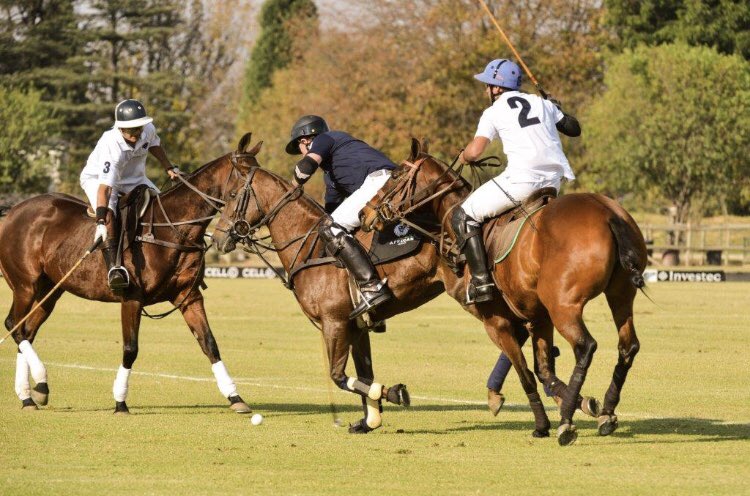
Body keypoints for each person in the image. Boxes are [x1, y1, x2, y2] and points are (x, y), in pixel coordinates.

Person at [453, 58, 581, 304]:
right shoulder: (542, 104)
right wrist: (556, 108)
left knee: (464, 214)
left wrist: (464, 156)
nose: (486, 90)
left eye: (488, 84)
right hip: (554, 182)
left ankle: (481, 281)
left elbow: (475, 152)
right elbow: (574, 129)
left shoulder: (492, 112)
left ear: (498, 88)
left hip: (523, 181)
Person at [286, 115, 395, 319]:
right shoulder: (332, 175)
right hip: (382, 185)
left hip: (379, 183)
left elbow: (305, 168)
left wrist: (288, 192)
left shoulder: (325, 139)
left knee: (331, 228)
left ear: (305, 140)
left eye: (299, 146)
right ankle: (372, 301)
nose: (300, 151)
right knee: (333, 228)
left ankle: (372, 286)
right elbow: (330, 211)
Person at [79, 99, 179, 291]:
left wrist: (169, 167)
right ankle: (114, 270)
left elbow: (154, 145)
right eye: (131, 130)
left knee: (164, 208)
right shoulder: (111, 146)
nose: (137, 133)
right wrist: (101, 221)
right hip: (99, 180)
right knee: (110, 215)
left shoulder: (147, 128)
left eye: (139, 128)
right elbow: (105, 189)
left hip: (135, 179)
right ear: (120, 128)